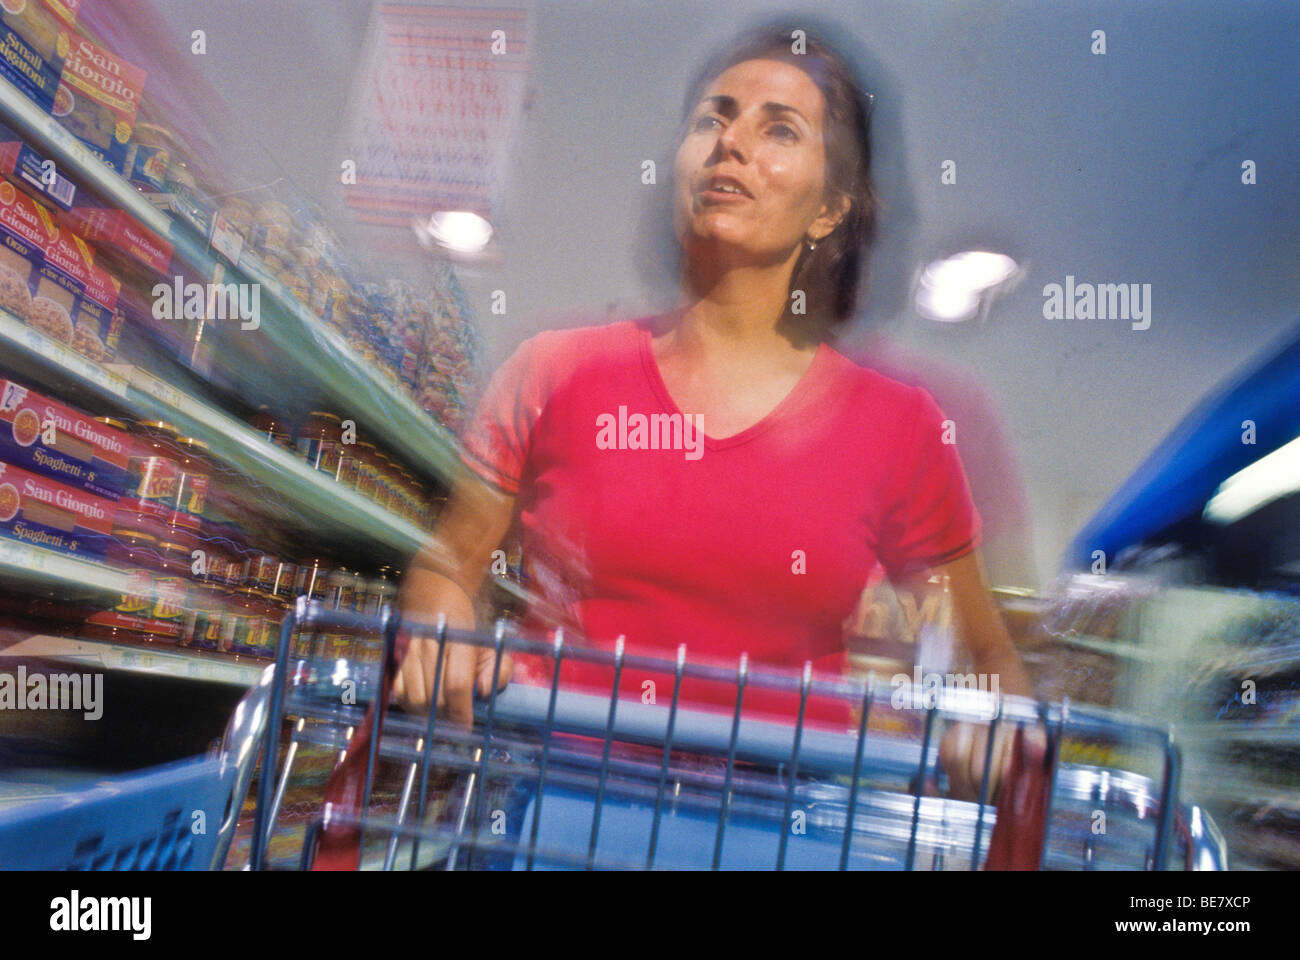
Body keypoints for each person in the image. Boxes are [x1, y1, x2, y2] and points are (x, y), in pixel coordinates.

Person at [396, 22, 1036, 802]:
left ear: (831, 208)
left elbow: (989, 656)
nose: (730, 142)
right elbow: (448, 564)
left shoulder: (901, 429)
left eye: (780, 129)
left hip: (781, 831)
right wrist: (440, 628)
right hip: (560, 815)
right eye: (714, 117)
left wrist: (995, 715)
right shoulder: (552, 373)